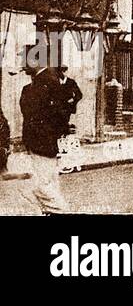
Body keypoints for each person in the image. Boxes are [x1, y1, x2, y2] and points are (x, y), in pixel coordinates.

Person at [15, 66, 70, 213]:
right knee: (49, 185)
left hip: (42, 142)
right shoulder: (41, 81)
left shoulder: (45, 82)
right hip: (44, 142)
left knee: (41, 187)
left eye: (25, 59)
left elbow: (55, 114)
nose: (22, 64)